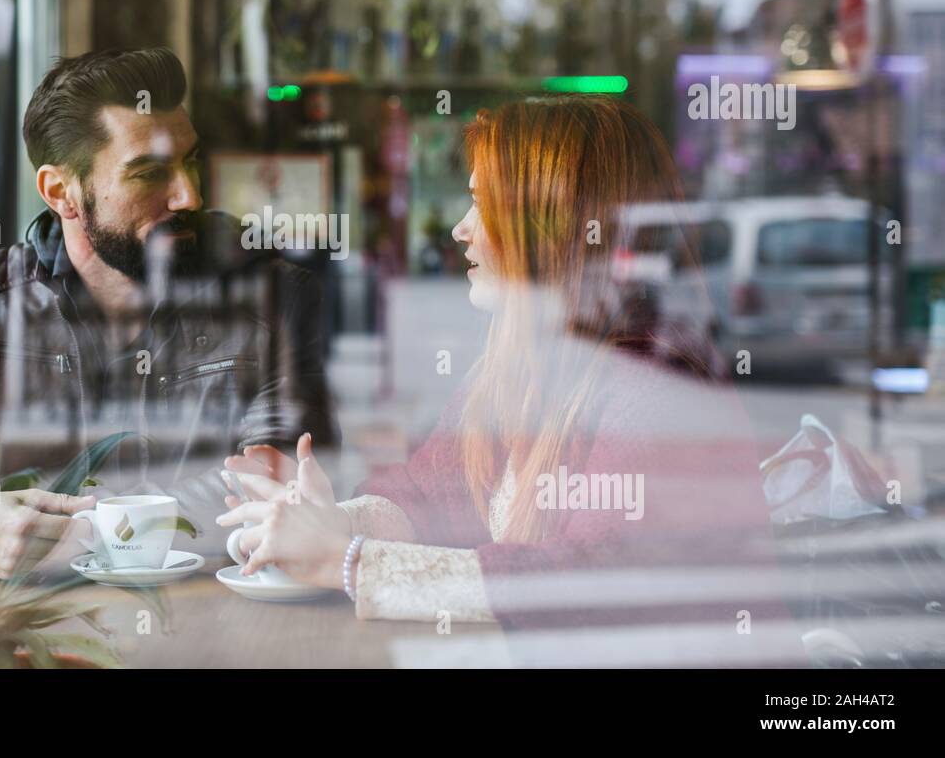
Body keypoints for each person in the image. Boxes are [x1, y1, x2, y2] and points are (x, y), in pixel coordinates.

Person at [218, 96, 788, 638]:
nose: (459, 229)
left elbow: (581, 585)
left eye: (484, 205)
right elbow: (427, 495)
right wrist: (333, 523)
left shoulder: (657, 393)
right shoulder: (520, 370)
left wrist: (350, 562)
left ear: (554, 226)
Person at [0, 47, 336, 579]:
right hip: (25, 636)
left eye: (191, 160)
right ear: (61, 191)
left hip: (204, 625)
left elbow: (278, 484)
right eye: (149, 173)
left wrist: (83, 534)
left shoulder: (271, 294)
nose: (189, 194)